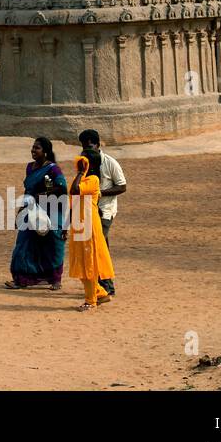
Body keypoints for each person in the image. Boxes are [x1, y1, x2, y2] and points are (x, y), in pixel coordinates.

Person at [5, 136, 67, 289]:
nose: (33, 150)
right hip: (31, 210)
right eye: (32, 147)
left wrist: (44, 194)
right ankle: (22, 279)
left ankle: (55, 279)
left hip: (51, 210)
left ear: (45, 152)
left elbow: (62, 189)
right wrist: (20, 212)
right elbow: (28, 191)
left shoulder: (53, 169)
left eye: (37, 148)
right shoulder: (30, 167)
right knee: (23, 243)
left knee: (53, 244)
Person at [79, 128, 126, 297]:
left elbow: (122, 186)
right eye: (84, 147)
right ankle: (103, 286)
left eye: (89, 147)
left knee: (98, 248)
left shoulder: (110, 163)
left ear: (98, 145)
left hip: (105, 211)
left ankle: (104, 286)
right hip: (89, 211)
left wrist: (99, 193)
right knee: (100, 247)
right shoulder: (84, 163)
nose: (86, 150)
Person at [67, 147, 115, 310]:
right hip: (79, 226)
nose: (80, 163)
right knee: (81, 262)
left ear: (91, 165)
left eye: (84, 161)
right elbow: (73, 201)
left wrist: (81, 173)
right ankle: (100, 293)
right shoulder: (83, 179)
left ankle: (90, 300)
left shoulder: (93, 179)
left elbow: (74, 190)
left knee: (89, 264)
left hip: (89, 228)